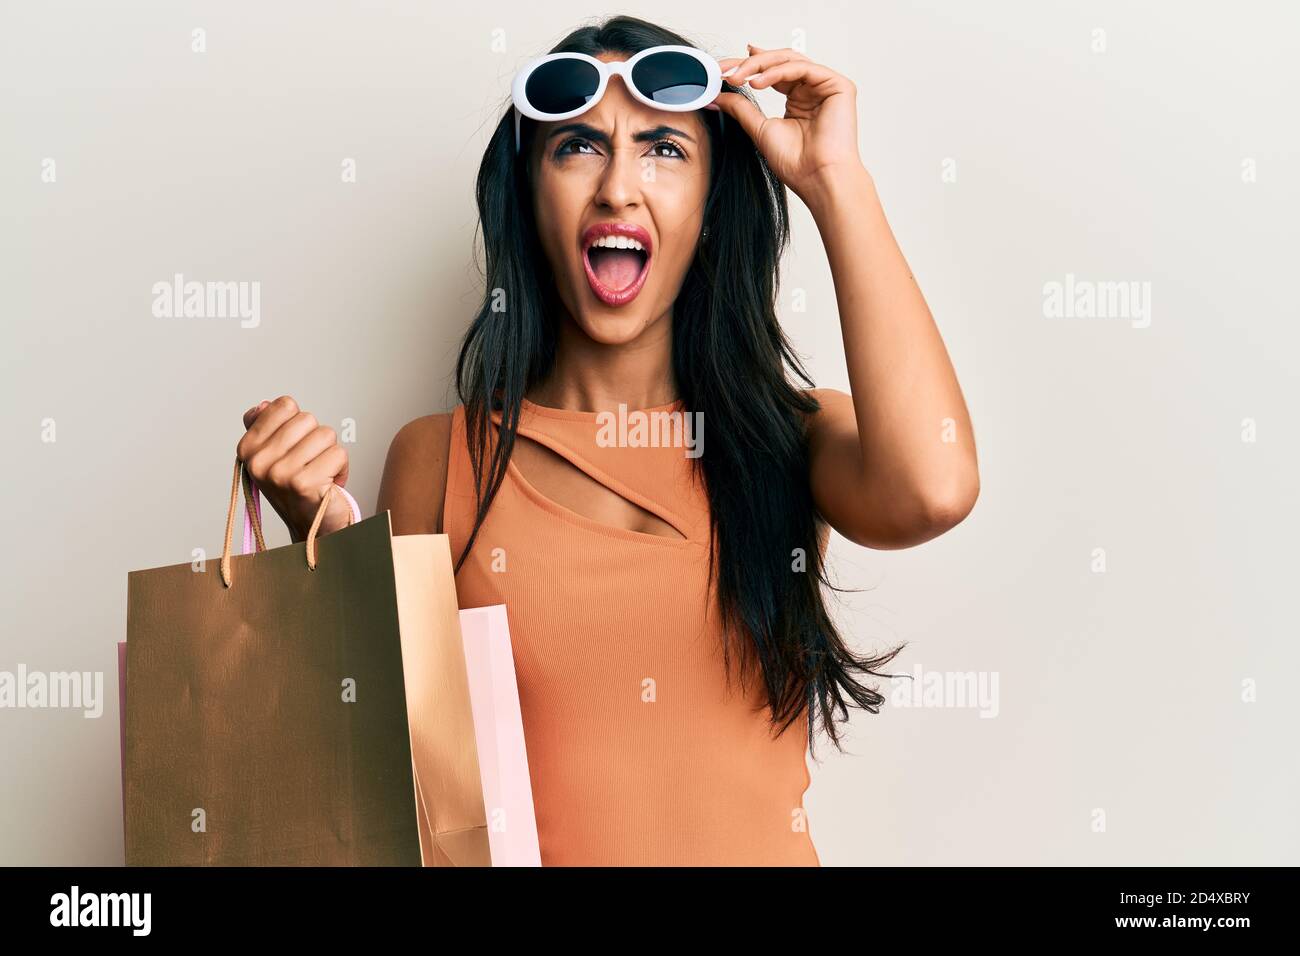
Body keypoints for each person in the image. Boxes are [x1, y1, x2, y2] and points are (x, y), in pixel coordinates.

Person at [235, 15, 979, 866]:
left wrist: (834, 179)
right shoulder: (439, 457)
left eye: (665, 149)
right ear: (529, 194)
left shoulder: (791, 436)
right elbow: (401, 778)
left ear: (710, 203)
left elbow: (933, 489)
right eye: (577, 148)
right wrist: (322, 543)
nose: (619, 188)